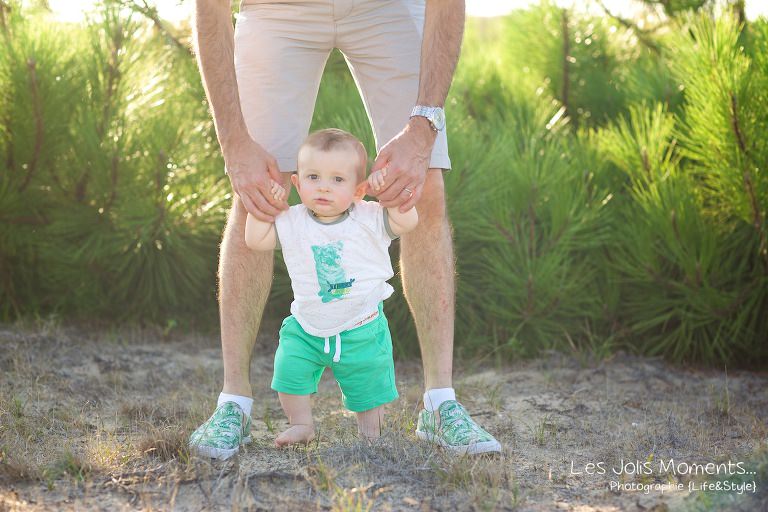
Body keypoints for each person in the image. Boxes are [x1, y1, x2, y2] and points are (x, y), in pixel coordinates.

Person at [188, 0, 502, 459]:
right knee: (256, 192)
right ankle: (233, 403)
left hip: (387, 8)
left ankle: (440, 403)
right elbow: (209, 9)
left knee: (422, 185)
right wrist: (233, 141)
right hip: (278, 9)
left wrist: (423, 127)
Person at [245, 129, 417, 446]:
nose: (324, 186)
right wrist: (265, 205)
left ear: (358, 189)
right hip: (306, 326)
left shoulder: (369, 217)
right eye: (313, 177)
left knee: (369, 387)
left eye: (338, 180)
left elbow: (407, 222)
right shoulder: (292, 220)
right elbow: (256, 240)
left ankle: (371, 435)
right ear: (296, 184)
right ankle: (301, 424)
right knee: (288, 373)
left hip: (361, 326)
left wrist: (388, 195)